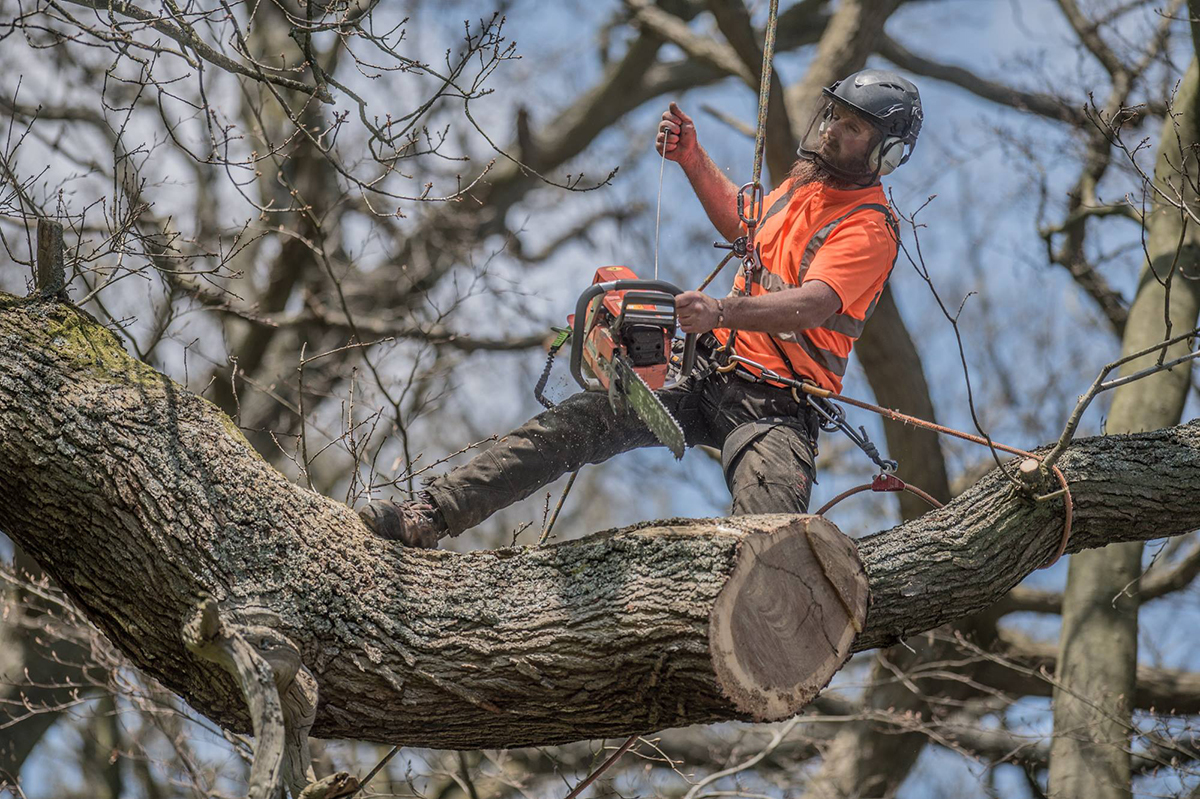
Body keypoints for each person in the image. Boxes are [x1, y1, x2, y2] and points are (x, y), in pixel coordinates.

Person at [358, 68, 923, 548]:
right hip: (708, 368)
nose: (831, 130)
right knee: (578, 423)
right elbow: (744, 225)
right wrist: (691, 158)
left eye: (852, 128)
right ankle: (430, 514)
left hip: (777, 407)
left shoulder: (868, 226)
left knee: (765, 536)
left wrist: (720, 312)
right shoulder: (804, 188)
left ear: (886, 154)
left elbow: (814, 304)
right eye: (833, 116)